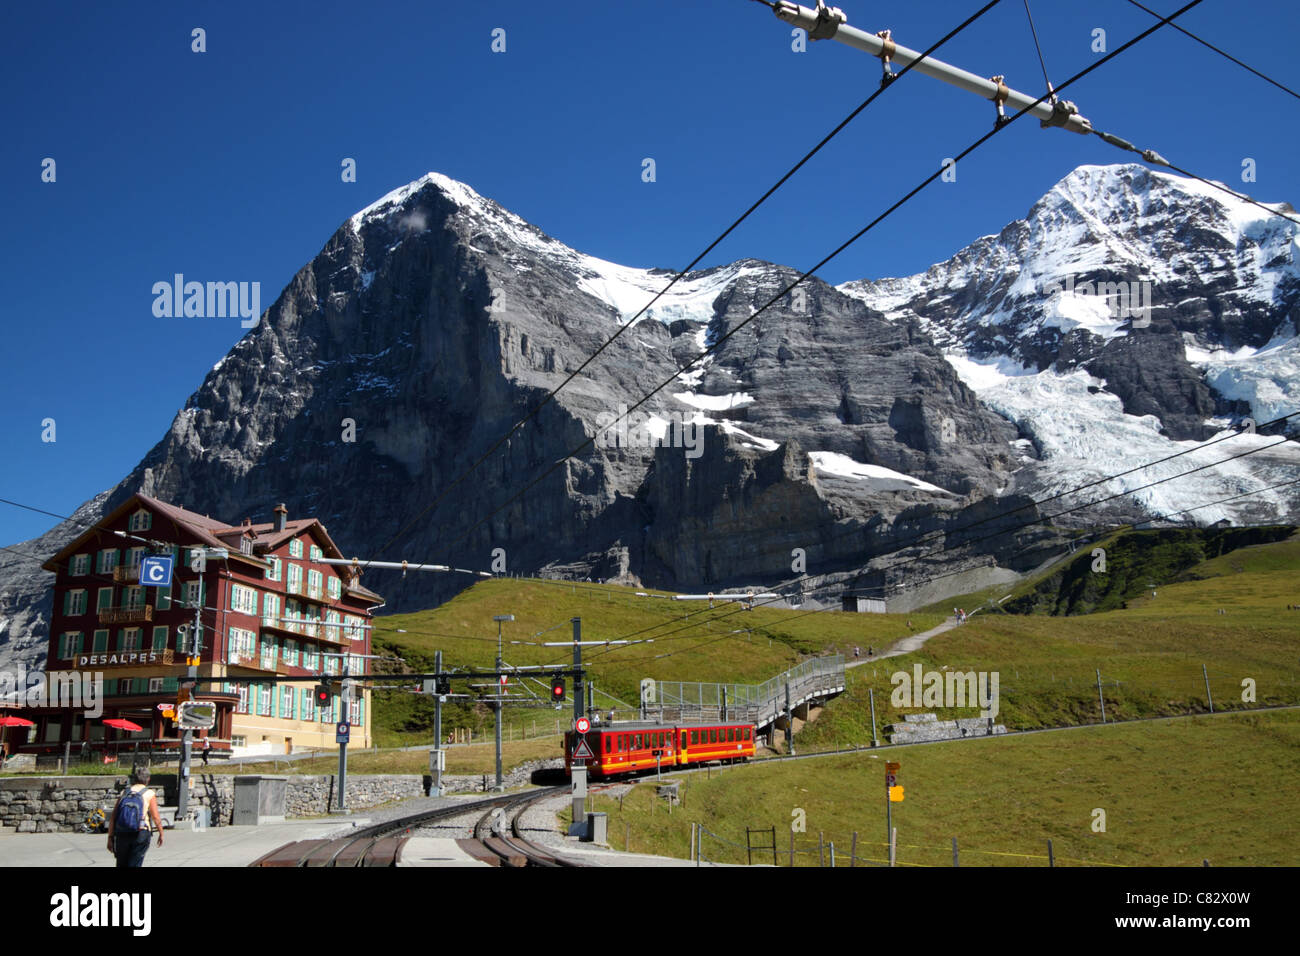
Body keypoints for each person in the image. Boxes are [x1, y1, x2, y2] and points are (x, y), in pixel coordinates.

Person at [106, 767, 163, 867]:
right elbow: (155, 817)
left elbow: (113, 817)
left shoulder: (125, 793)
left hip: (122, 833)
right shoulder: (149, 794)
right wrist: (161, 833)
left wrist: (110, 837)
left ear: (135, 779)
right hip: (141, 832)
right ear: (148, 779)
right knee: (135, 863)